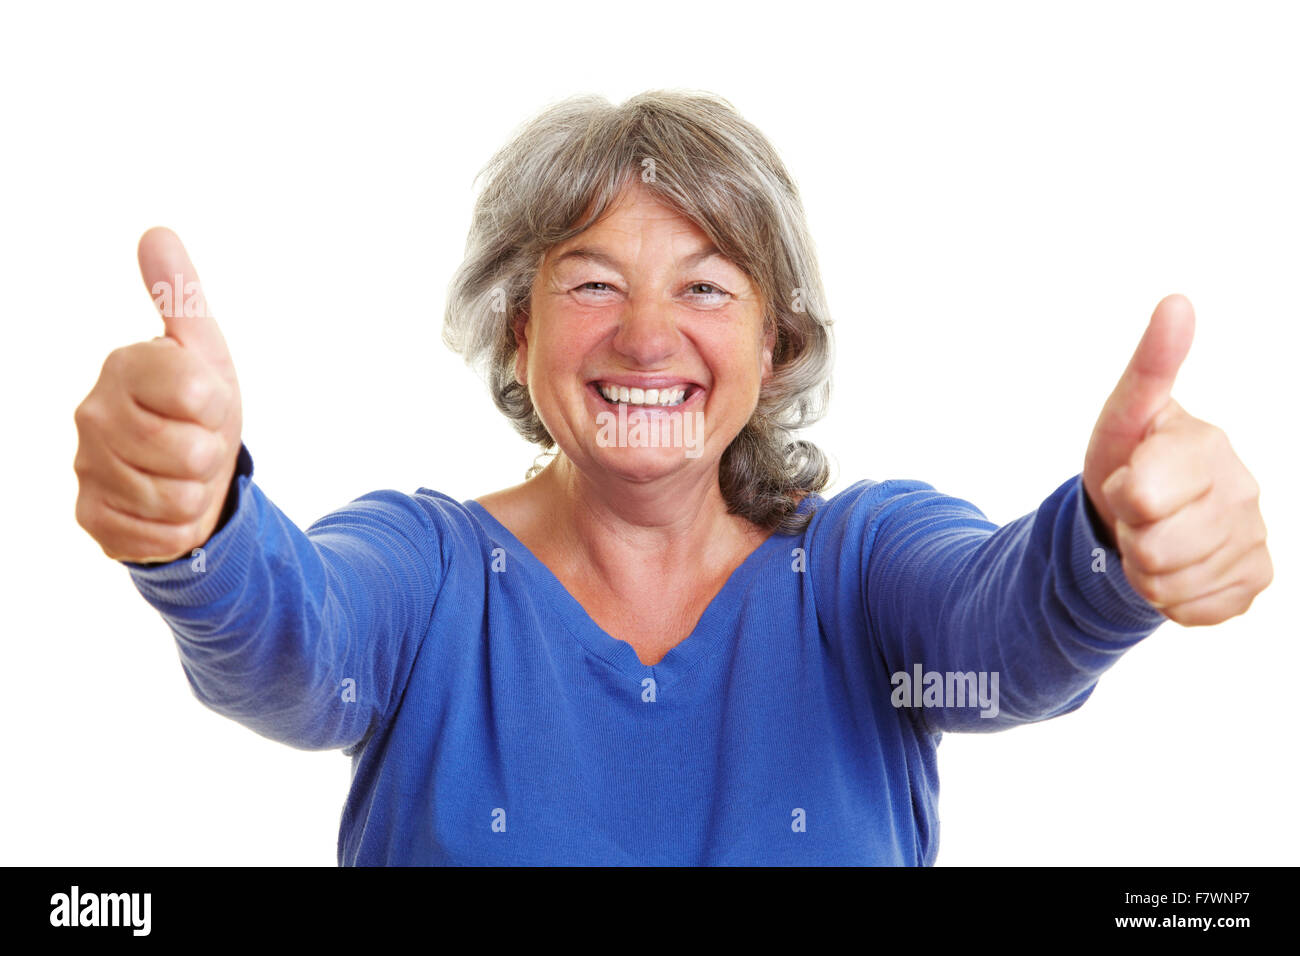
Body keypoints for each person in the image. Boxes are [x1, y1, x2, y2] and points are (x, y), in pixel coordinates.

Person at [73, 90, 1272, 865]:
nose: (646, 337)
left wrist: (1111, 542)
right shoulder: (430, 573)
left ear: (777, 344)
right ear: (515, 333)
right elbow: (297, 647)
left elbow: (1006, 631)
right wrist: (202, 522)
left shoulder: (858, 571)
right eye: (591, 283)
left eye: (704, 287)